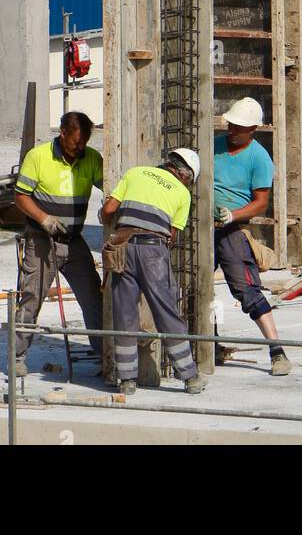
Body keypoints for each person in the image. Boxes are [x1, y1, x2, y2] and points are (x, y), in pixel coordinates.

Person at [100, 148, 206, 396]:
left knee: (125, 315)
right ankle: (190, 377)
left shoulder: (135, 173)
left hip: (122, 248)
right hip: (152, 251)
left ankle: (126, 381)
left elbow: (108, 211)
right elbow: (171, 235)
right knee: (166, 311)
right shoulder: (182, 193)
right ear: (185, 175)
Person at [14, 110, 104, 378]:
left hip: (74, 241)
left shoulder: (91, 158)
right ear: (62, 133)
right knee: (31, 298)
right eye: (76, 141)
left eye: (84, 142)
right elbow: (20, 197)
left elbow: (110, 187)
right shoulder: (38, 156)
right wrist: (44, 219)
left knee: (94, 298)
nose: (80, 147)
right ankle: (17, 357)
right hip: (42, 242)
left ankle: (105, 354)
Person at [213, 97, 290, 376]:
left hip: (232, 229)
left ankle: (277, 350)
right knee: (190, 285)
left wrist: (233, 215)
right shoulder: (215, 146)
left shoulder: (259, 158)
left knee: (247, 290)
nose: (233, 130)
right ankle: (209, 343)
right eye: (231, 125)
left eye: (240, 127)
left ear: (254, 129)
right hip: (203, 226)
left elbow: (260, 203)